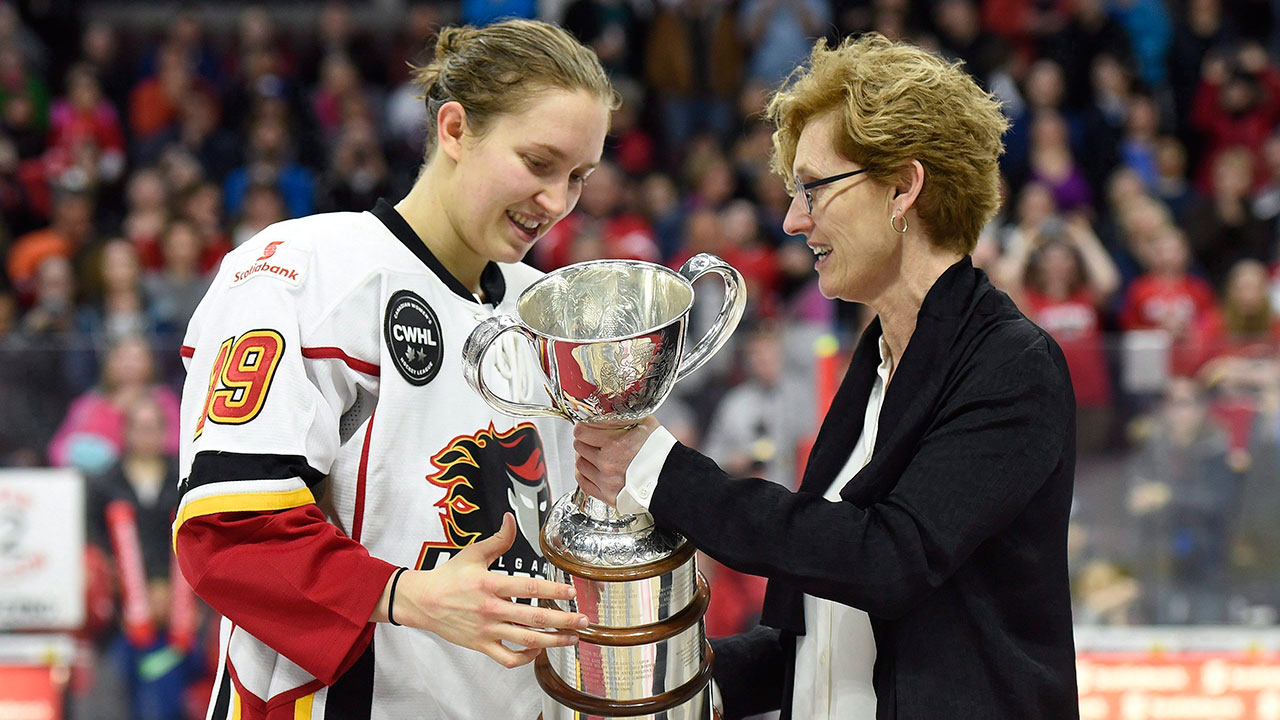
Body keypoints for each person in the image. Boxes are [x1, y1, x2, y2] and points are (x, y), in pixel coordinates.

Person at [573, 34, 1079, 719]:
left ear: (903, 187)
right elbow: (819, 636)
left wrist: (662, 471)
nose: (792, 219)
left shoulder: (1011, 365)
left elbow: (888, 561)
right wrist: (674, 681)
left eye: (814, 187)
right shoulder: (876, 357)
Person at [173, 19, 615, 719]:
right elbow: (225, 531)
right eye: (538, 163)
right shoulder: (301, 270)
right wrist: (402, 595)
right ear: (454, 129)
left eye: (579, 177)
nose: (557, 203)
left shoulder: (548, 309)